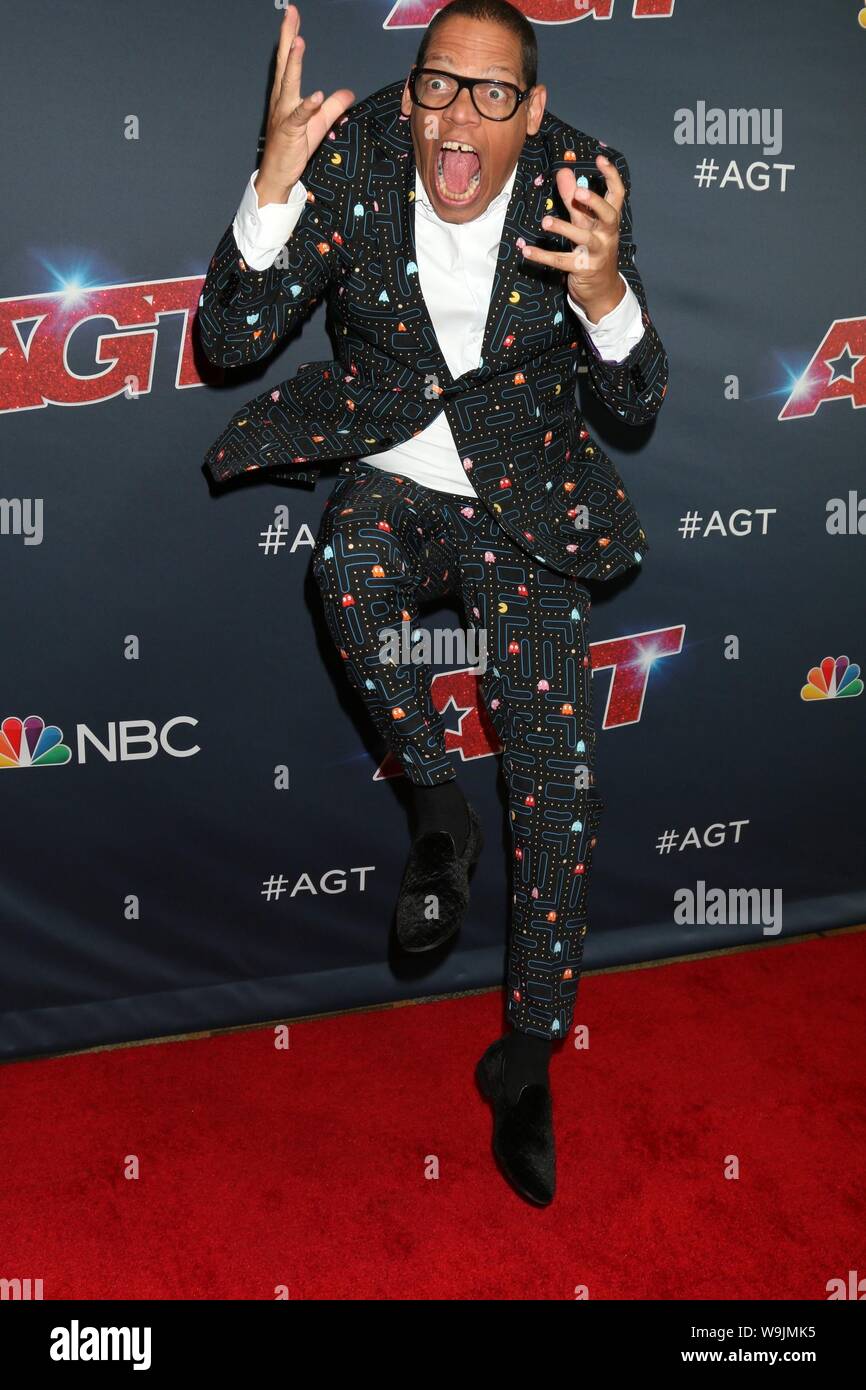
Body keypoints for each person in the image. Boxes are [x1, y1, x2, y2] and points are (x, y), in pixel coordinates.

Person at [198, 0, 668, 1206]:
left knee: (557, 785)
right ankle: (436, 810)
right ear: (411, 90)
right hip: (396, 474)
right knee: (346, 564)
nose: (458, 118)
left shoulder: (578, 183)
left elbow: (635, 400)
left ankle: (524, 1060)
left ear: (532, 110)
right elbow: (231, 340)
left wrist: (604, 292)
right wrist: (270, 188)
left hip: (527, 502)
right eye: (437, 85)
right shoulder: (353, 155)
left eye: (491, 94)